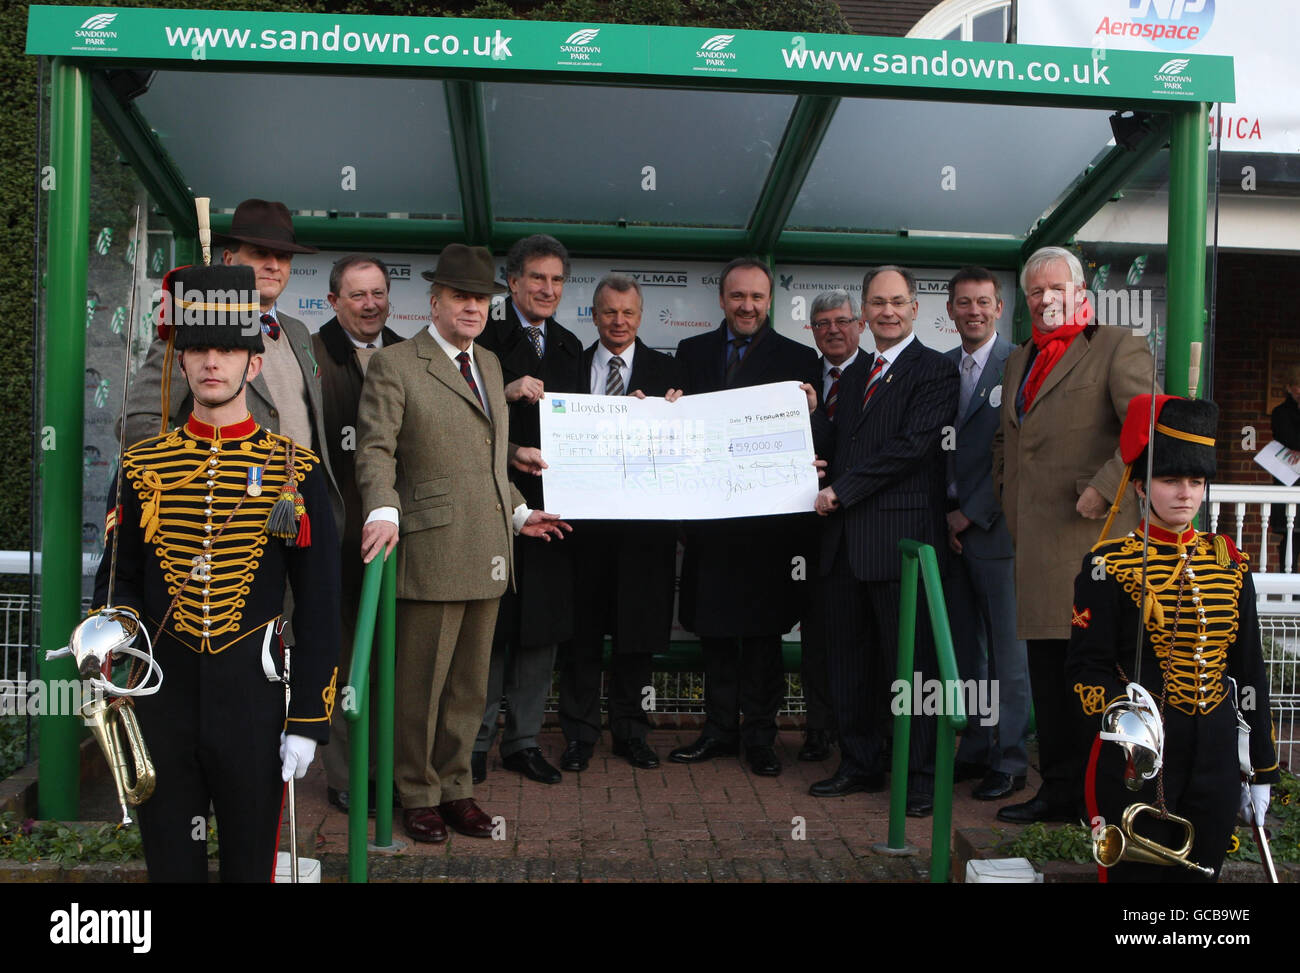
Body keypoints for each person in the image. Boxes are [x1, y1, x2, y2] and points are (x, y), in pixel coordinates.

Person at [92, 263, 340, 882]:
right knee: (170, 870)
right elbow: (116, 586)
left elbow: (319, 606)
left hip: (252, 703)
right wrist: (112, 669)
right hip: (159, 697)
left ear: (251, 366)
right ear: (181, 363)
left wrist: (308, 718)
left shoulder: (295, 470)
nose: (211, 362)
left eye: (227, 351)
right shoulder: (142, 465)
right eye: (198, 348)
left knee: (249, 870)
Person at [355, 244, 568, 844]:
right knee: (419, 689)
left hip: (489, 549)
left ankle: (455, 789)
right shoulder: (395, 364)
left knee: (468, 688)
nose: (473, 307)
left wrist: (521, 510)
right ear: (436, 300)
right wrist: (381, 509)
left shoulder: (492, 365)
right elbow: (375, 450)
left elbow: (484, 455)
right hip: (427, 550)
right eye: (461, 297)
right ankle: (415, 792)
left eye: (481, 299)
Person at [1067, 394, 1278, 882]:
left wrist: (1262, 767)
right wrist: (1125, 727)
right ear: (1141, 487)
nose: (1185, 493)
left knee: (1202, 877)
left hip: (1216, 752)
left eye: (1196, 482)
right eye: (1169, 480)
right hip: (1140, 752)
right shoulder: (1108, 566)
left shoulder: (1230, 564)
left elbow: (1248, 669)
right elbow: (1085, 671)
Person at [993, 245, 1154, 824]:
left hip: (1095, 545)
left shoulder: (1115, 345)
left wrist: (1106, 486)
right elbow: (1005, 441)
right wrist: (1007, 498)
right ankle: (1060, 790)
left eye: (1055, 288)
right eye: (1035, 291)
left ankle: (1105, 796)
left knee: (1090, 676)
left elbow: (1148, 423)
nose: (1045, 299)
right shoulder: (1018, 360)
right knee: (1047, 676)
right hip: (1034, 548)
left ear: (1080, 292)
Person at [808, 265, 958, 816]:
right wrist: (800, 419)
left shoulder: (936, 371)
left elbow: (912, 448)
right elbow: (837, 444)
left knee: (911, 666)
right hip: (843, 546)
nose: (887, 311)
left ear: (916, 308)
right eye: (877, 302)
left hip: (902, 547)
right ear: (864, 312)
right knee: (848, 662)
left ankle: (917, 776)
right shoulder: (853, 373)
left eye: (897, 301)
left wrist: (841, 491)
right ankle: (859, 762)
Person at [670, 257, 818, 777]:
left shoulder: (800, 359)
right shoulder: (690, 352)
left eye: (757, 297)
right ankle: (716, 733)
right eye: (738, 296)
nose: (748, 306)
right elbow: (675, 428)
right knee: (713, 635)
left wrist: (812, 413)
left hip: (766, 533)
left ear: (770, 300)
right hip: (709, 528)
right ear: (721, 300)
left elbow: (813, 438)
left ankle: (760, 738)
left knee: (760, 640)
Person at [557, 274, 684, 771]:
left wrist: (669, 417)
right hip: (581, 532)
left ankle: (632, 733)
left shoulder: (670, 373)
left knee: (637, 639)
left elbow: (687, 448)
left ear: (641, 314)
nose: (619, 321)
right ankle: (579, 736)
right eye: (609, 312)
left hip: (644, 535)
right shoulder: (567, 367)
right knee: (581, 639)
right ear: (593, 314)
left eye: (628, 312)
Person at [473, 234, 584, 786]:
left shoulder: (572, 347)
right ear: (512, 282)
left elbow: (593, 423)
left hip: (557, 513)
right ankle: (473, 743)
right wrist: (509, 434)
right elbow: (459, 422)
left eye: (557, 280)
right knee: (490, 630)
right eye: (536, 278)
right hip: (494, 509)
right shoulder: (484, 341)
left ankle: (521, 744)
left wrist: (631, 417)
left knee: (541, 632)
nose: (547, 288)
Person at [312, 255, 405, 814]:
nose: (371, 304)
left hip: (394, 534)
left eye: (379, 293)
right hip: (332, 534)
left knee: (390, 661)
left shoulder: (407, 352)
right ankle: (345, 776)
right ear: (333, 302)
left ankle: (385, 772)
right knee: (343, 658)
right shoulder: (311, 354)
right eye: (358, 295)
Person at [940, 267, 1030, 801]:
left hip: (995, 531)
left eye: (983, 302)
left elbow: (1019, 455)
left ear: (999, 309)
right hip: (949, 533)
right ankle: (975, 747)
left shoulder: (1019, 363)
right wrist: (947, 518)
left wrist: (971, 514)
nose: (973, 311)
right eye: (963, 303)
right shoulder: (943, 368)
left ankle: (1013, 759)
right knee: (966, 653)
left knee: (1007, 655)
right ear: (949, 310)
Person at [797, 290, 864, 762]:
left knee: (861, 639)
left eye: (842, 321)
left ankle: (858, 732)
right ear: (813, 330)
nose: (833, 330)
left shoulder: (877, 374)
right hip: (809, 532)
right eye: (823, 323)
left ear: (859, 325)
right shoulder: (795, 379)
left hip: (861, 525)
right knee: (816, 637)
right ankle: (818, 730)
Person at [1268, 364, 1300, 561]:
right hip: (1289, 479)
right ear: (1289, 387)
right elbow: (1289, 439)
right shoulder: (1280, 413)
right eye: (1298, 386)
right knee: (1290, 537)